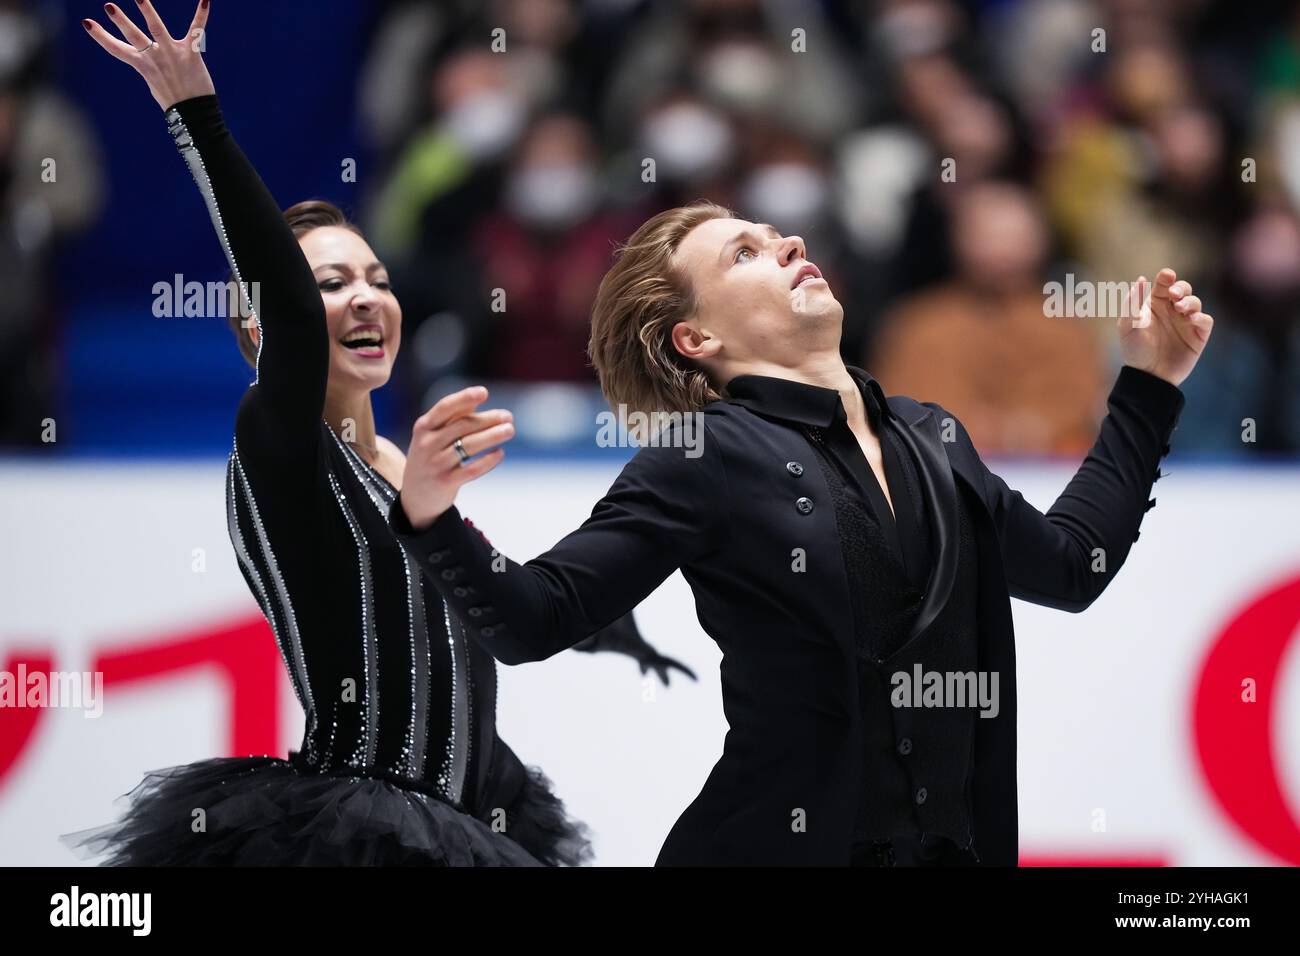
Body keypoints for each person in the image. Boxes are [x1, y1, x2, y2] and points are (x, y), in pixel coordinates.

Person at [389, 201, 1213, 866]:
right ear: (697, 339)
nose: (784, 240)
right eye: (742, 254)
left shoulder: (934, 436)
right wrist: (431, 515)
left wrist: (1147, 386)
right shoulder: (703, 453)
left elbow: (1074, 568)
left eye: (771, 233)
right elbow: (537, 616)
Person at [66, 0, 688, 867]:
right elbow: (280, 299)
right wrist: (195, 114)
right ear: (258, 327)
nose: (365, 297)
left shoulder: (397, 461)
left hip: (475, 818)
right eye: (330, 284)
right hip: (361, 832)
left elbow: (472, 601)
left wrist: (601, 627)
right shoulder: (276, 443)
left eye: (377, 278)